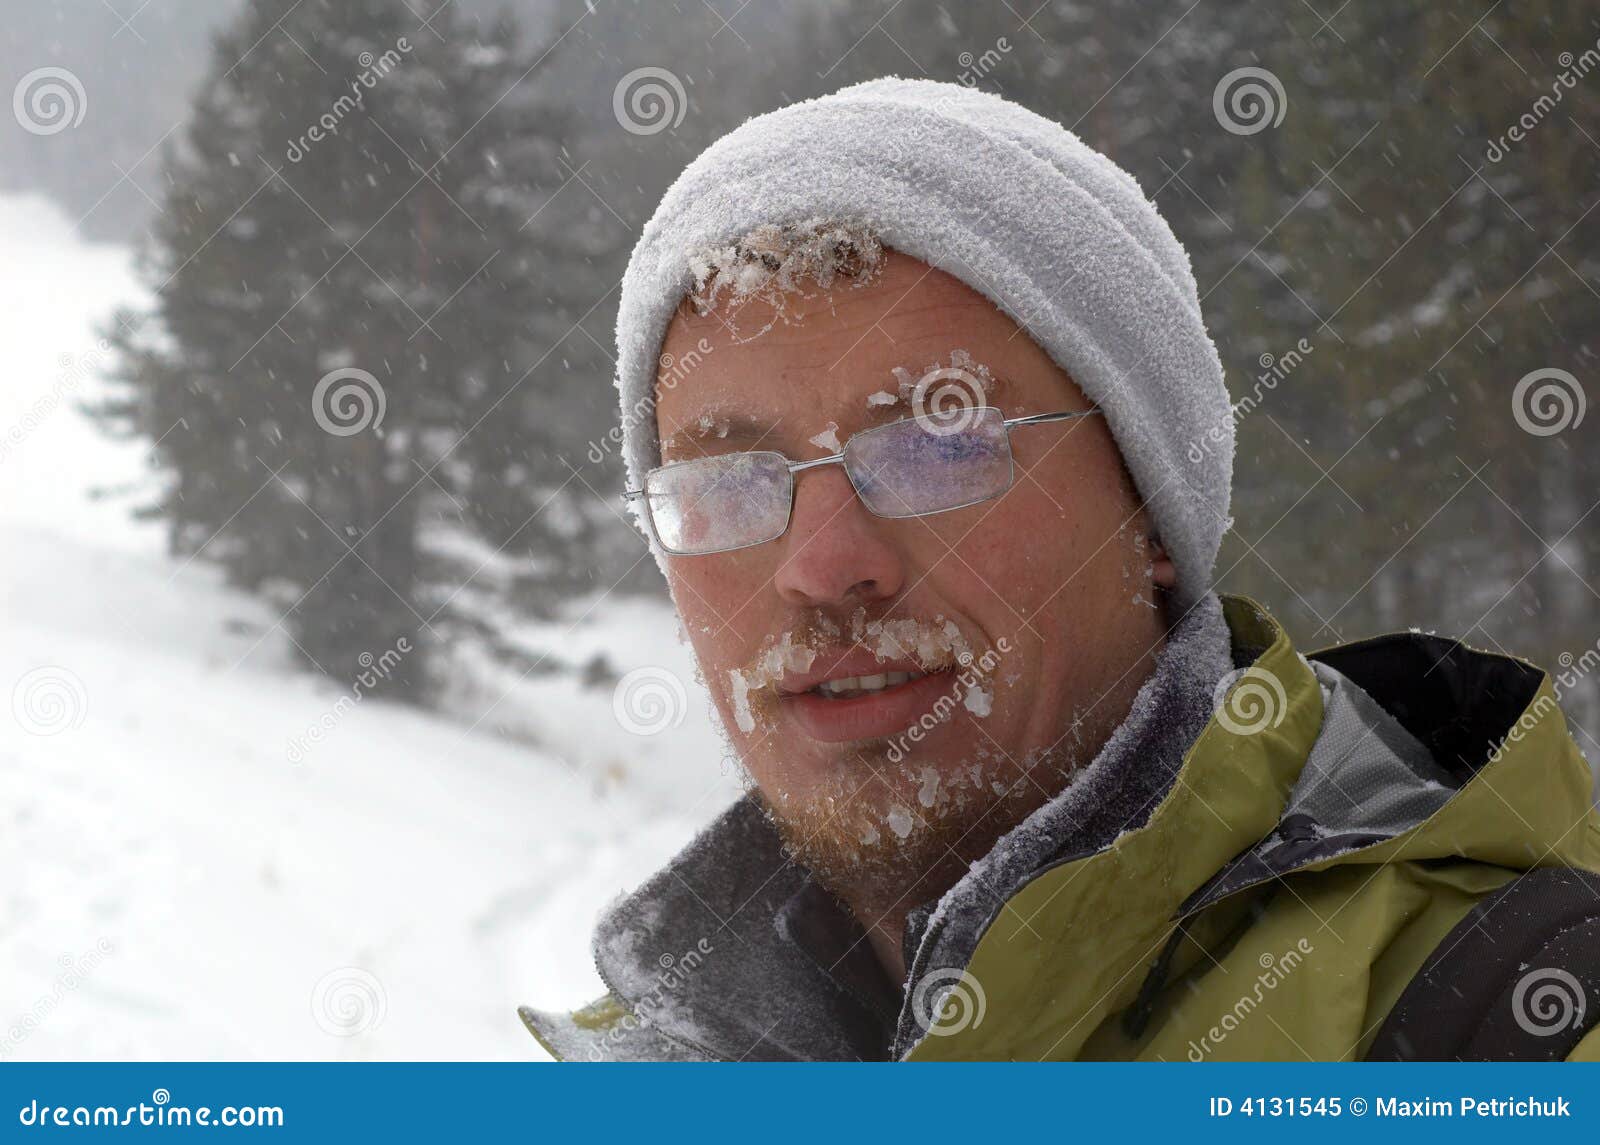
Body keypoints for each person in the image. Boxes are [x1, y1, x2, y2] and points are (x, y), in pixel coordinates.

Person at [521, 78, 1600, 1061]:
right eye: (727, 482)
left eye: (939, 442)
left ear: (1148, 513)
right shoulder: (645, 1073)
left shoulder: (1502, 1026)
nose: (820, 565)